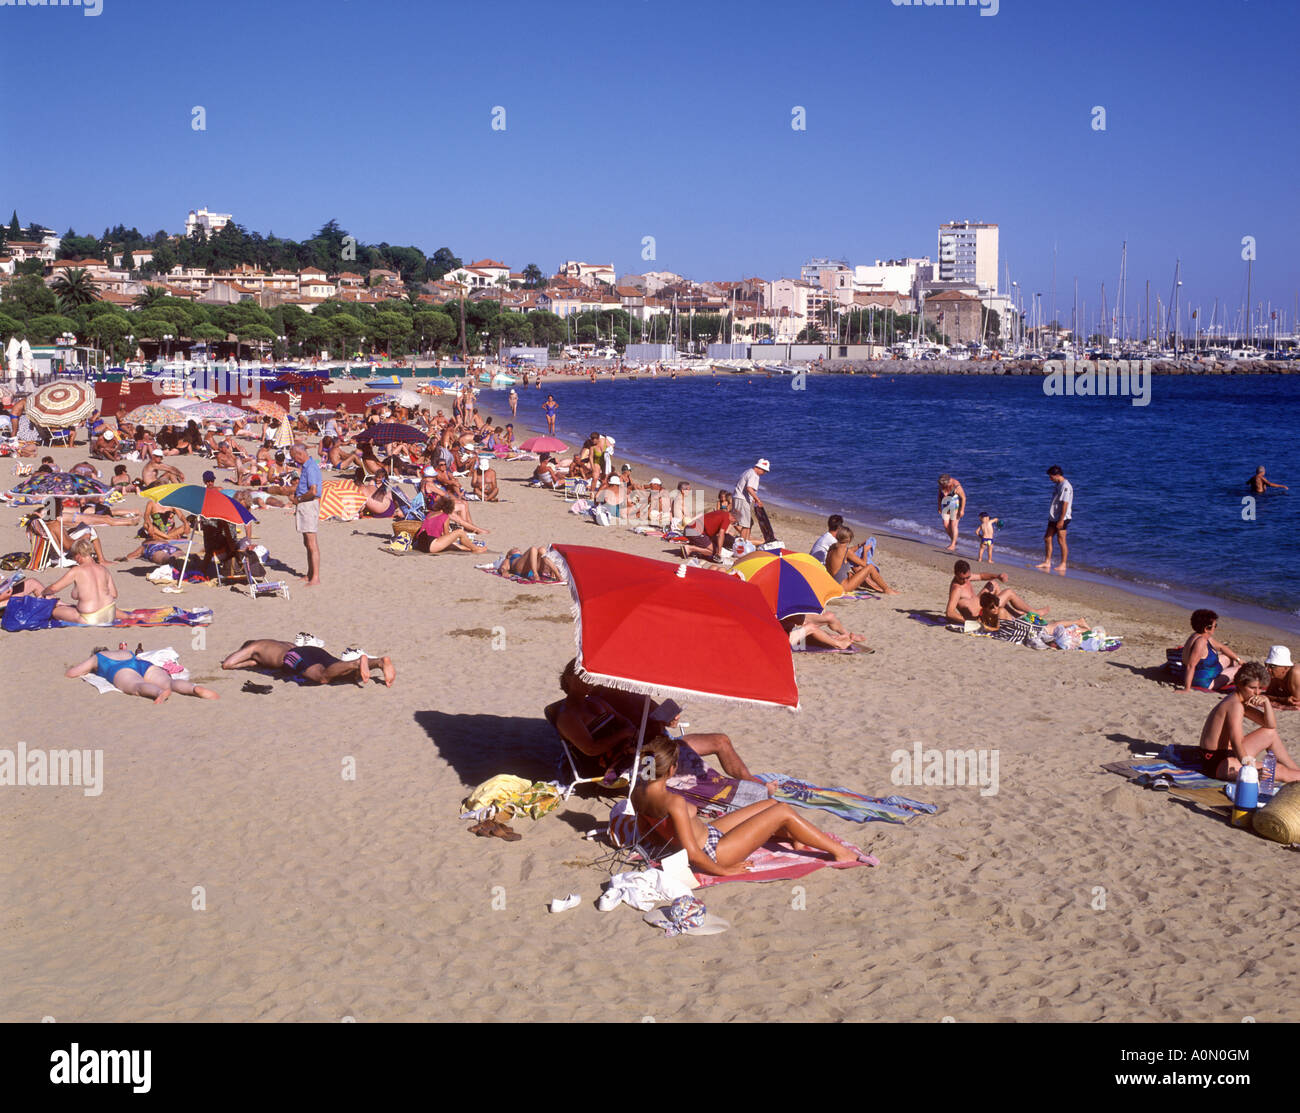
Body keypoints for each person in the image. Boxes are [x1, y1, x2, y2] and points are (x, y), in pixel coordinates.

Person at [631, 734, 865, 877]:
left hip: (710, 835)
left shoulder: (637, 793)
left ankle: (797, 837)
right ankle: (841, 853)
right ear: (672, 769)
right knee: (782, 811)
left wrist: (665, 850)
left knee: (769, 804)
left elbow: (647, 833)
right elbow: (693, 852)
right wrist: (724, 870)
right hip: (715, 854)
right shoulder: (674, 801)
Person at [551, 660, 758, 783]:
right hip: (623, 764)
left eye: (589, 676)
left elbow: (626, 725)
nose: (587, 680)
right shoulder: (567, 717)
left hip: (644, 747)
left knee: (721, 740)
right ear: (568, 679)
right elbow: (590, 749)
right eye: (581, 676)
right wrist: (625, 735)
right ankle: (734, 790)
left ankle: (751, 782)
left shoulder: (596, 701)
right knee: (668, 769)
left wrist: (662, 720)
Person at [1196, 661, 1300, 782]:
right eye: (1252, 688)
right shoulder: (1235, 706)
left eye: (1260, 688)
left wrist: (1266, 702)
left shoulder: (1238, 700)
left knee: (1269, 734)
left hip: (1227, 755)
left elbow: (1270, 725)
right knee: (1277, 770)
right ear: (1240, 684)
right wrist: (1250, 770)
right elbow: (1236, 742)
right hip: (1216, 763)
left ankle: (1296, 771)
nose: (1257, 693)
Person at [66, 646, 218, 703]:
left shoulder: (97, 658)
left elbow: (72, 673)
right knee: (169, 682)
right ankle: (194, 689)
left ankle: (158, 693)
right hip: (141, 664)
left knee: (138, 686)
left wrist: (91, 668)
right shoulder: (125, 651)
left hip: (119, 670)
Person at [221, 638, 395, 687]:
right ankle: (379, 662)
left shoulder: (254, 646)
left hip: (293, 656)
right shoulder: (274, 642)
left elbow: (227, 664)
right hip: (309, 650)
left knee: (322, 677)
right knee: (340, 673)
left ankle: (356, 663)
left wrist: (248, 662)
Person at [32, 538, 119, 625]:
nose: (74, 560)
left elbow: (54, 588)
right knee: (68, 606)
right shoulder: (103, 569)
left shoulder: (77, 570)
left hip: (90, 618)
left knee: (53, 610)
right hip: (109, 613)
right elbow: (114, 594)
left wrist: (43, 593)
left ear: (78, 555)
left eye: (73, 556)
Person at [945, 561, 1041, 625]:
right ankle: (1034, 612)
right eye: (962, 578)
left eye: (968, 577)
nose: (966, 580)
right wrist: (969, 623)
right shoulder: (957, 589)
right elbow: (949, 612)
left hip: (980, 605)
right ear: (955, 574)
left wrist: (997, 576)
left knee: (993, 584)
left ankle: (1011, 613)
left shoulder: (965, 577)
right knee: (1009, 592)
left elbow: (981, 576)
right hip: (979, 615)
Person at [1177, 609, 1242, 693]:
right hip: (1202, 681)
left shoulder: (1197, 636)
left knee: (1229, 658)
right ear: (1206, 628)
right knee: (1240, 669)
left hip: (1201, 671)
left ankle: (1230, 671)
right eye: (1215, 625)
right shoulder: (1201, 642)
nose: (1215, 628)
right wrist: (1186, 689)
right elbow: (1191, 665)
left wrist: (1239, 660)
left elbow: (1221, 647)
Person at [825, 527, 896, 594]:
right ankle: (887, 590)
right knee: (870, 567)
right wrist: (865, 550)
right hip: (843, 587)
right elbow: (864, 564)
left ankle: (878, 587)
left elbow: (850, 551)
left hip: (834, 584)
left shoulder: (833, 547)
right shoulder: (846, 551)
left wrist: (859, 545)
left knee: (852, 573)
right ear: (849, 539)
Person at [289, 442, 321, 586]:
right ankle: (309, 574)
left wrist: (298, 499)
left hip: (308, 505)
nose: (294, 460)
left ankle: (315, 577)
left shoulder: (311, 467)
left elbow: (313, 491)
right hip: (304, 505)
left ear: (300, 454)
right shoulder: (307, 467)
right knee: (307, 542)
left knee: (312, 542)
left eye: (294, 457)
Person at [412, 496, 483, 554]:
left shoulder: (430, 514)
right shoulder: (445, 516)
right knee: (460, 532)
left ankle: (469, 548)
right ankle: (475, 549)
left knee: (451, 545)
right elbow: (446, 534)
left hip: (420, 543)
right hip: (430, 544)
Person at [1037, 465, 1072, 574]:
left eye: (1051, 476)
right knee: (1047, 538)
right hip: (1053, 517)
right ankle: (1047, 561)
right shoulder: (1058, 484)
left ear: (1057, 475)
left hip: (1062, 517)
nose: (1050, 479)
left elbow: (1065, 504)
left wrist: (1061, 520)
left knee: (1061, 540)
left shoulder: (1065, 486)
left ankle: (1063, 564)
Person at [732, 458, 769, 542]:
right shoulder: (754, 475)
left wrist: (752, 498)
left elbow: (744, 487)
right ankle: (742, 544)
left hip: (737, 497)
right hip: (742, 499)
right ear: (760, 468)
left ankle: (746, 540)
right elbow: (749, 488)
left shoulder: (748, 471)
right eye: (764, 471)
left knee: (745, 522)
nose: (764, 473)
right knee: (746, 524)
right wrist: (757, 500)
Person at [493, 546, 564, 581]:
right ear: (509, 554)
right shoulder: (509, 559)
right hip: (520, 569)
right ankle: (535, 574)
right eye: (514, 550)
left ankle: (557, 574)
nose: (516, 549)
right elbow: (503, 568)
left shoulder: (525, 557)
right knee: (533, 549)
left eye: (518, 549)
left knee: (542, 549)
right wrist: (504, 571)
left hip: (530, 567)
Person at [937, 474, 966, 553]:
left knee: (953, 525)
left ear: (948, 482)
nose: (943, 486)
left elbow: (963, 497)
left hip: (955, 507)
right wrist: (939, 506)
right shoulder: (941, 485)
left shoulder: (956, 486)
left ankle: (953, 544)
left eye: (944, 485)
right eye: (941, 485)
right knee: (946, 525)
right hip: (946, 506)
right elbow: (939, 496)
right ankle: (954, 541)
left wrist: (962, 510)